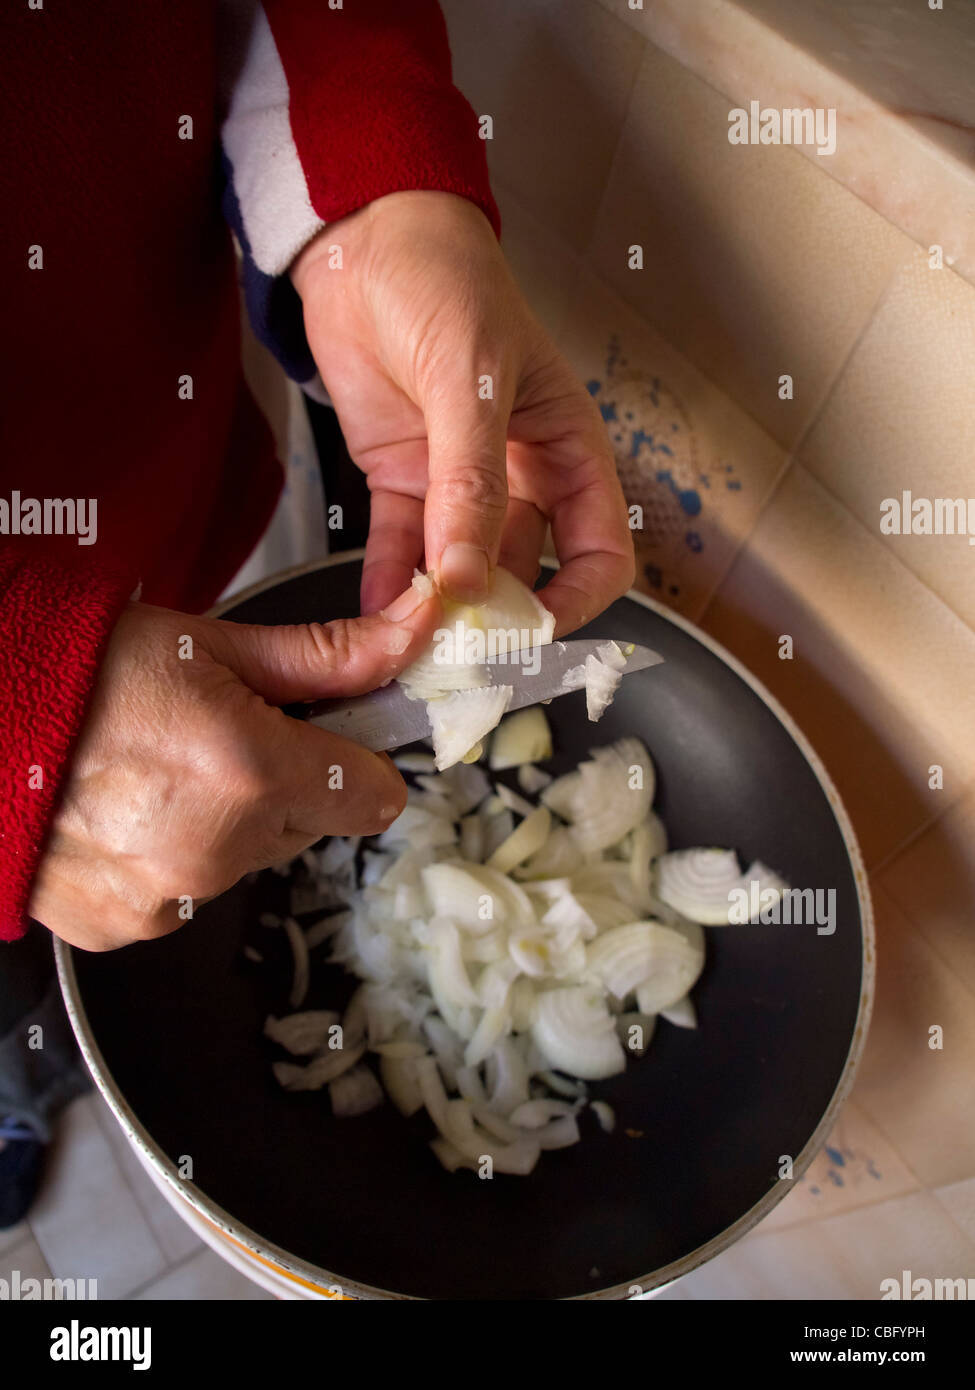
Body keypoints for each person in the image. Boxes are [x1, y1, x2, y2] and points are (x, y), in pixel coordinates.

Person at [0, 1, 634, 1226]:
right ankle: (12, 1095)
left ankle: (43, 1059)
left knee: (153, 875)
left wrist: (372, 185)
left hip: (179, 476)